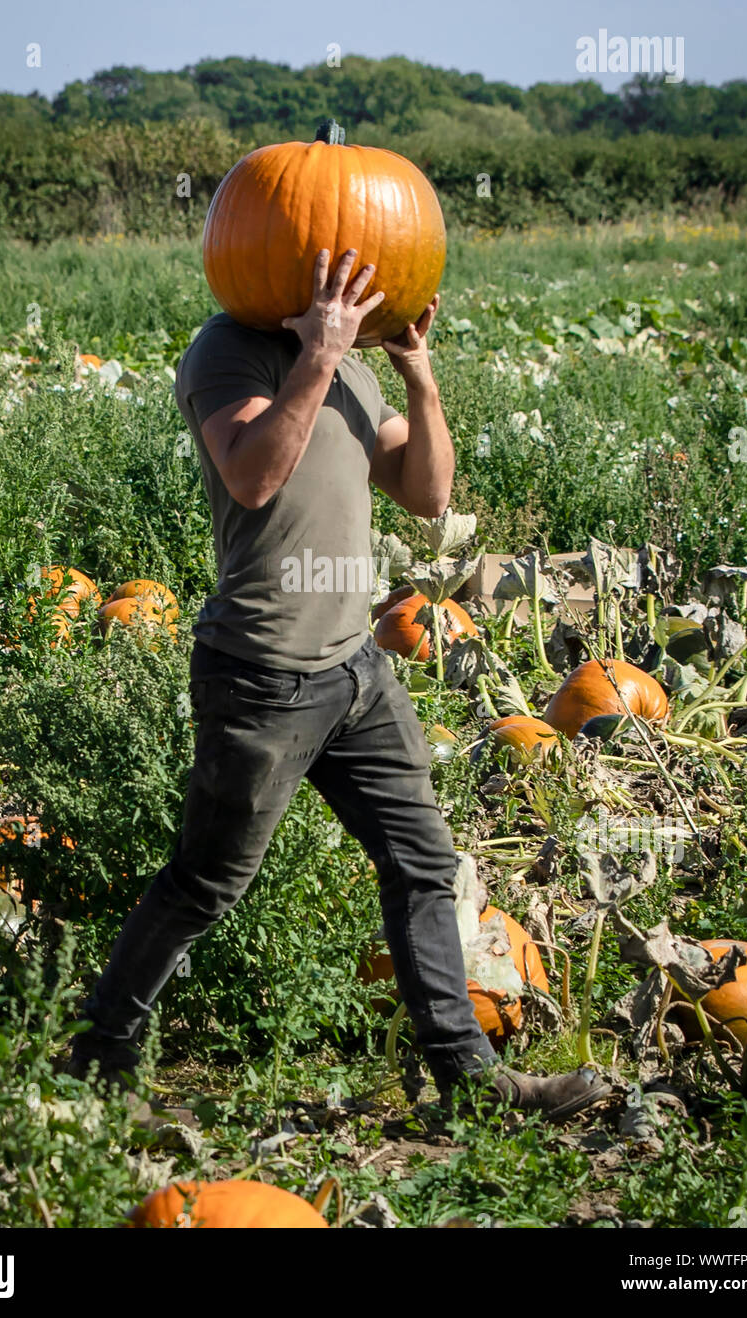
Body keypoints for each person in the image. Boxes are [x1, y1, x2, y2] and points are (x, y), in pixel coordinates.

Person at [70, 246, 608, 1121]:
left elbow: (428, 497)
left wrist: (416, 370)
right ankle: (99, 1054)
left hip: (356, 670)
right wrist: (318, 355)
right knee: (207, 883)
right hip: (261, 676)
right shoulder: (227, 352)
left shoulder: (356, 366)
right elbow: (251, 476)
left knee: (424, 866)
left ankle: (467, 1084)